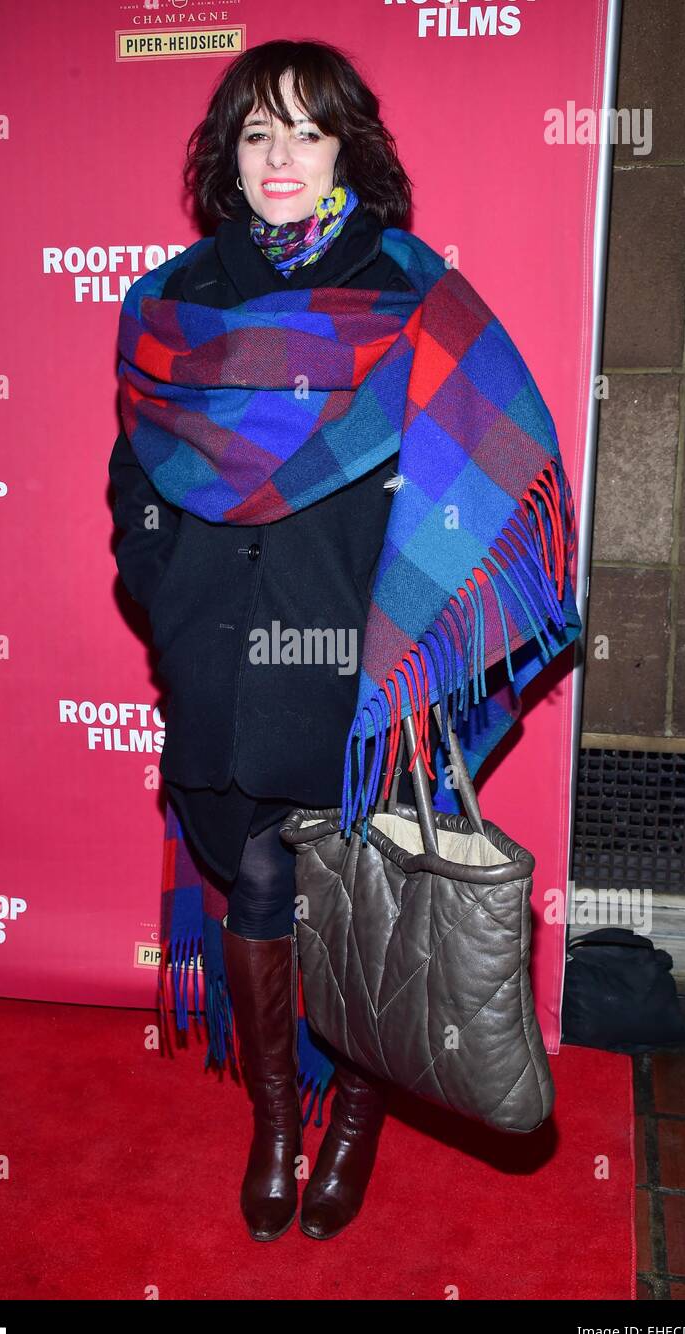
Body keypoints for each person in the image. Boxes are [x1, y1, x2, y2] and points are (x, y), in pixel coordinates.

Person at [109, 40, 443, 1244]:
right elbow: (131, 480)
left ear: (348, 145)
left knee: (357, 899)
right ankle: (274, 1125)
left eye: (306, 130)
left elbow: (476, 473)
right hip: (217, 641)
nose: (280, 157)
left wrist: (403, 622)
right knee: (251, 883)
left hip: (353, 644)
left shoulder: (410, 292)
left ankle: (352, 1117)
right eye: (257, 133)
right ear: (226, 156)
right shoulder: (173, 299)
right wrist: (163, 579)